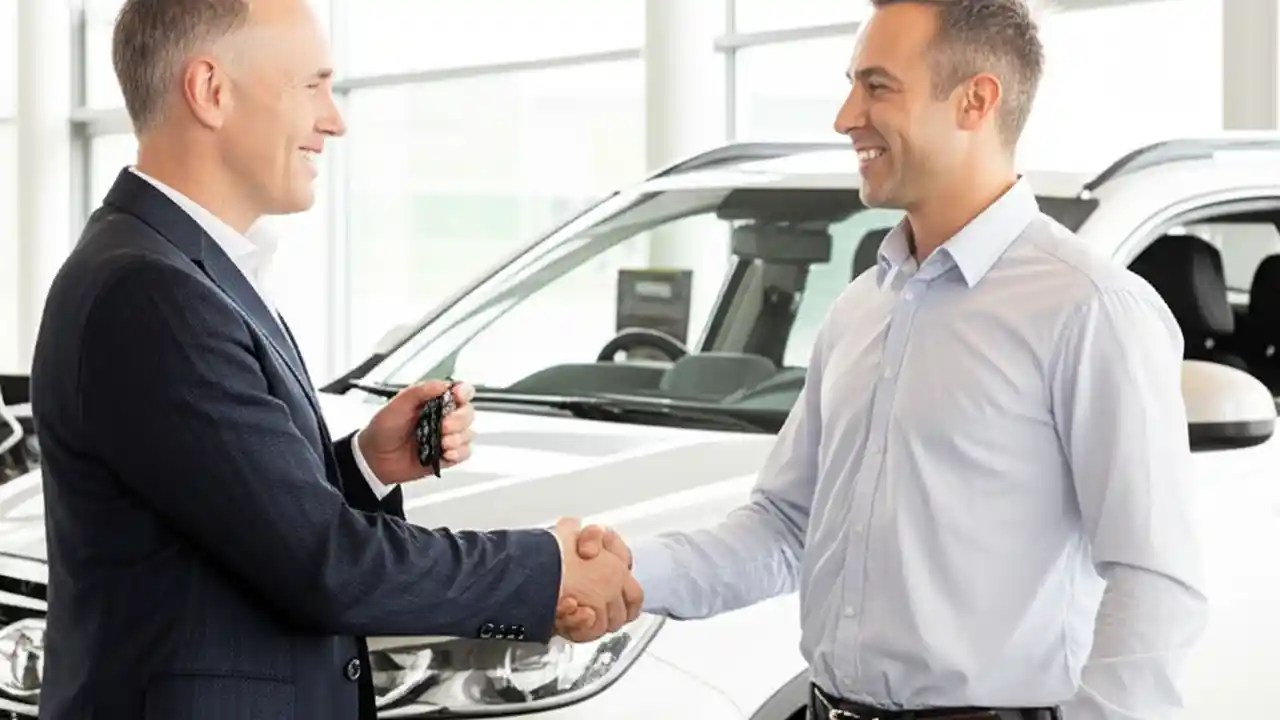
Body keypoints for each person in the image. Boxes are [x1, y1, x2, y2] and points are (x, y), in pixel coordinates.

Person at [559, 1, 1209, 718]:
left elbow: (1155, 578)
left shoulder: (1090, 307)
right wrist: (628, 571)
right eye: (851, 84)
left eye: (877, 86)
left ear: (976, 99)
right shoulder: (863, 307)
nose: (845, 116)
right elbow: (784, 527)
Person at [30, 1, 639, 718]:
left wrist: (368, 465)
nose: (334, 120)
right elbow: (327, 568)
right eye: (312, 85)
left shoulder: (177, 270)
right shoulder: (153, 291)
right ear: (210, 90)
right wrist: (548, 566)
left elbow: (232, 522)